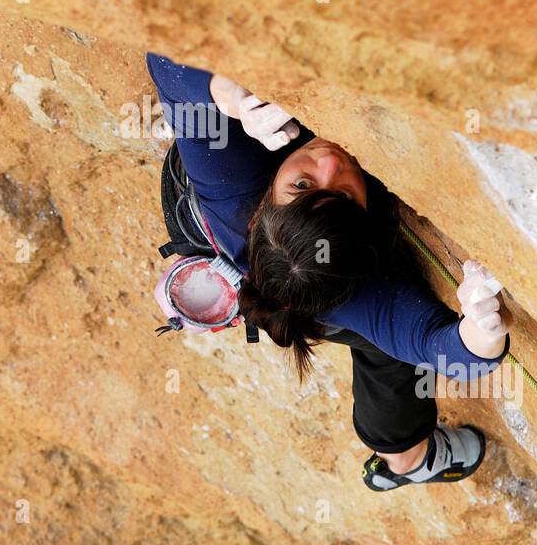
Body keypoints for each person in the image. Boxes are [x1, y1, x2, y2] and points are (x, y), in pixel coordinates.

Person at [147, 53, 511, 490]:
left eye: (301, 185)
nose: (330, 162)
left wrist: (227, 96)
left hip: (212, 219)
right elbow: (451, 353)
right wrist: (482, 322)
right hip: (325, 295)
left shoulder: (232, 183)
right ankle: (407, 459)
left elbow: (165, 68)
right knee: (388, 356)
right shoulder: (362, 297)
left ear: (263, 206)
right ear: (367, 237)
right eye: (342, 193)